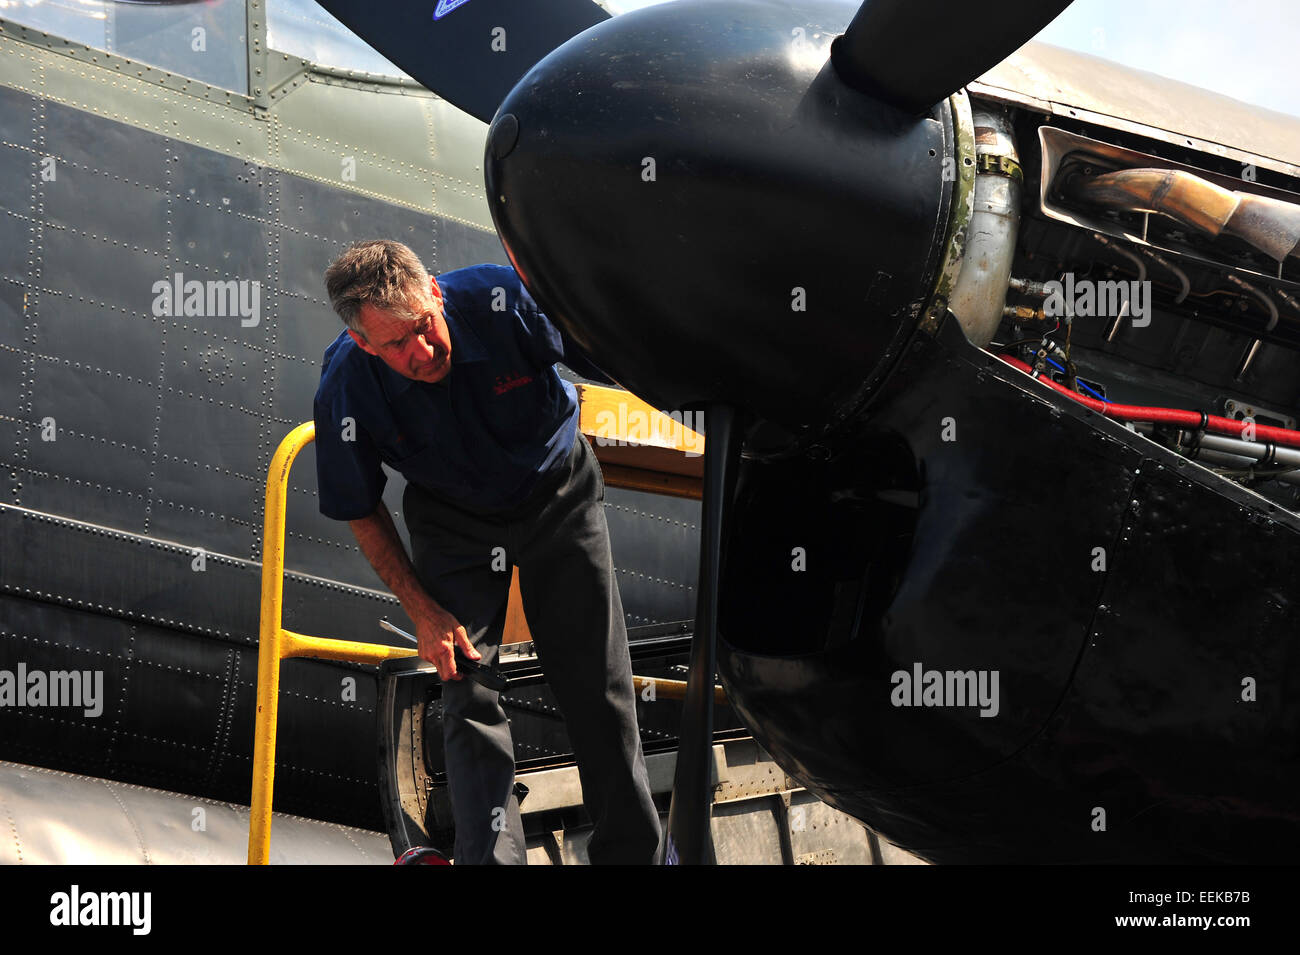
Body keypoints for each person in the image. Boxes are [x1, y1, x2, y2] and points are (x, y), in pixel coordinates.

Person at [312, 239, 660, 864]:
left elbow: (614, 357)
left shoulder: (505, 303)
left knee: (597, 685)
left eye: (424, 327)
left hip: (558, 496)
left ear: (436, 296)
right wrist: (423, 611)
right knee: (466, 688)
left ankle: (635, 856)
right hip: (457, 523)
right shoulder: (345, 386)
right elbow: (358, 505)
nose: (422, 352)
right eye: (396, 345)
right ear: (364, 344)